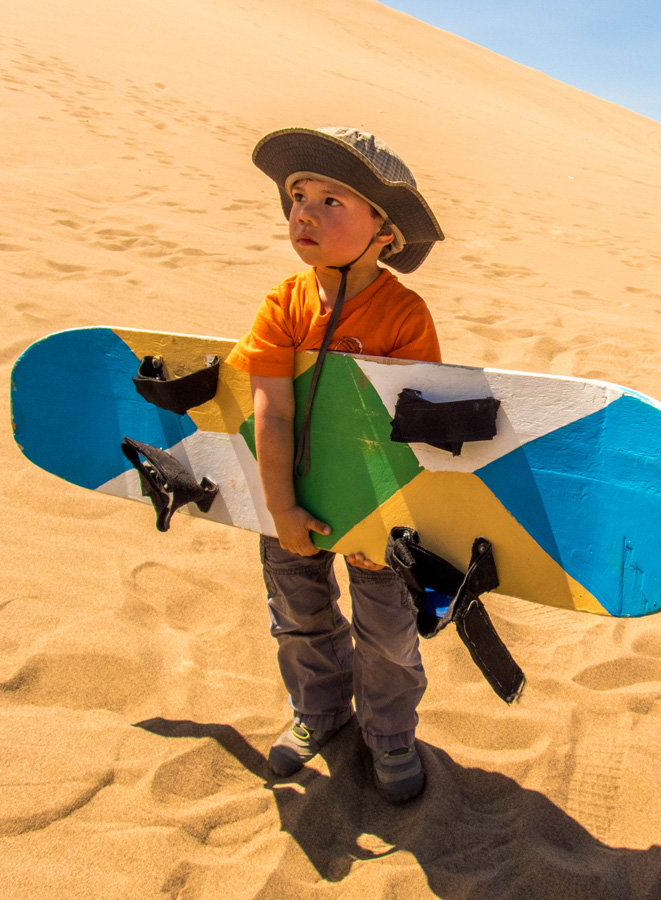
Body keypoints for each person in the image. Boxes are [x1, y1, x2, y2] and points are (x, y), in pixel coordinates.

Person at [225, 127, 445, 802]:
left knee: (387, 634)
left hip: (378, 514)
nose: (305, 212)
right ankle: (318, 714)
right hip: (290, 499)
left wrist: (383, 527)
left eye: (332, 200)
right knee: (299, 614)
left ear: (386, 233)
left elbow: (414, 432)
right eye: (298, 196)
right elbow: (272, 410)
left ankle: (389, 735)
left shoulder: (405, 315)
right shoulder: (283, 304)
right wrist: (281, 508)